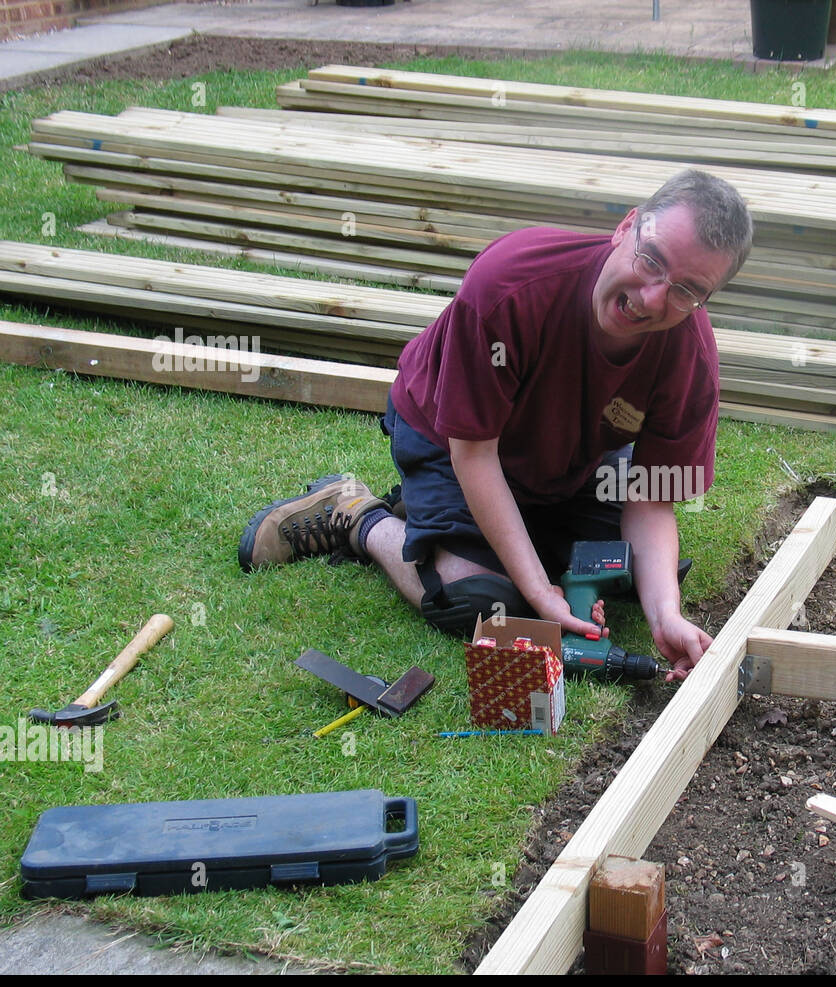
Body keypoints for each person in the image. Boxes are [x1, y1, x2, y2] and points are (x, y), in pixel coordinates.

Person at [239, 168, 753, 682]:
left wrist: (665, 614)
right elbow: (474, 454)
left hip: (567, 462)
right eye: (652, 260)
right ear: (627, 226)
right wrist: (536, 590)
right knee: (481, 603)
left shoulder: (692, 359)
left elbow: (650, 496)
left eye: (686, 290)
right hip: (451, 438)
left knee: (634, 568)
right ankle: (359, 515)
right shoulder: (512, 281)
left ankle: (448, 522)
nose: (652, 298)